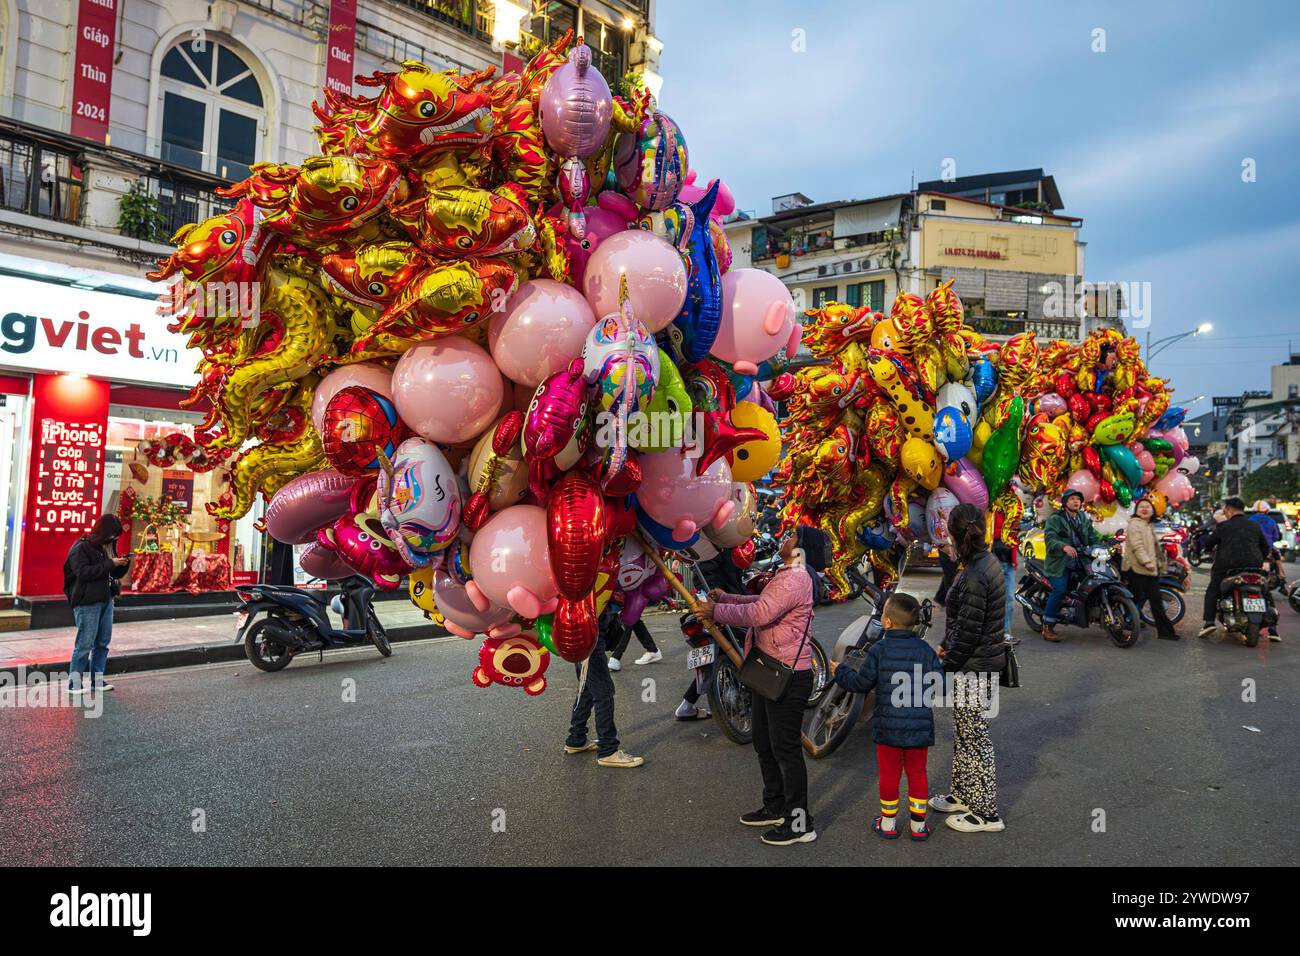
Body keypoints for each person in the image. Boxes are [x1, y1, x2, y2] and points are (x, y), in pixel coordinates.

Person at [700, 532, 816, 846]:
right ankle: (775, 805)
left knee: (786, 749)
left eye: (792, 537)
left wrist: (717, 612)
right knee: (764, 742)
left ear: (800, 549)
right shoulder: (785, 574)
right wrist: (726, 598)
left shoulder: (795, 579)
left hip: (788, 674)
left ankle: (800, 823)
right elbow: (758, 602)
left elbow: (759, 614)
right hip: (768, 669)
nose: (786, 538)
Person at [830, 592, 942, 841]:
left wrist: (841, 672)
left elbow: (861, 683)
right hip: (919, 726)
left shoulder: (879, 649)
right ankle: (918, 825)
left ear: (888, 621)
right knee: (917, 772)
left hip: (888, 725)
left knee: (890, 773)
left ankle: (889, 823)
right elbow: (939, 683)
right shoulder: (925, 650)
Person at [929, 503, 1007, 834]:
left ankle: (986, 813)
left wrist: (946, 663)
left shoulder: (976, 573)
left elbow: (971, 630)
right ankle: (963, 795)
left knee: (975, 738)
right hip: (977, 662)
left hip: (977, 666)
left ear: (956, 534)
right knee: (965, 734)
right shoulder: (980, 563)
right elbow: (964, 623)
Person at [564, 602, 644, 767]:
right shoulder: (586, 578)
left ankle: (576, 739)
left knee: (586, 688)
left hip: (583, 631)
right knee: (604, 692)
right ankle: (608, 750)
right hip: (588, 634)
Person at [63, 514, 130, 695]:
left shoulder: (105, 547)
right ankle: (74, 684)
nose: (114, 539)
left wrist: (123, 563)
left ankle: (97, 681)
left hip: (106, 599)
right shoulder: (81, 547)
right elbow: (83, 572)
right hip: (87, 602)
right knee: (85, 643)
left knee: (102, 643)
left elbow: (113, 574)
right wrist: (110, 563)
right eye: (112, 535)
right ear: (104, 532)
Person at [1198, 497, 1272, 641]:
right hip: (1253, 566)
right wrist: (1259, 559)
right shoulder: (1254, 526)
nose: (1224, 513)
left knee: (1213, 589)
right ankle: (1274, 629)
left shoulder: (1223, 526)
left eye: (1225, 510)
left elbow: (1209, 543)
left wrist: (1207, 549)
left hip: (1227, 567)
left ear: (1229, 510)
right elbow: (1265, 547)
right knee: (1265, 590)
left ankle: (1209, 622)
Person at [1040, 488, 1101, 642]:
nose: (1076, 501)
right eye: (1072, 499)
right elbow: (1050, 539)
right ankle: (1048, 626)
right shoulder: (1056, 519)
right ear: (1065, 502)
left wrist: (1105, 543)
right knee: (1060, 590)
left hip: (1081, 560)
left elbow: (1093, 537)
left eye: (1078, 499)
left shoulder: (1082, 517)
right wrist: (1064, 547)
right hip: (1060, 562)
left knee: (1095, 584)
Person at [1123, 498, 1178, 640]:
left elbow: (1155, 548)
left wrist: (1161, 563)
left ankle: (1165, 632)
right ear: (1136, 510)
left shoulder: (1148, 525)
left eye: (1148, 506)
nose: (1145, 509)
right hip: (1136, 569)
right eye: (1141, 507)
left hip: (1148, 569)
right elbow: (1137, 546)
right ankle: (1120, 621)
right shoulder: (1134, 524)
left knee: (1154, 601)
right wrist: (1147, 562)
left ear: (1153, 510)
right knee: (1137, 598)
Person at [991, 508, 1019, 643]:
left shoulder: (1011, 511)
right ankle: (992, 632)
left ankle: (1005, 632)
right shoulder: (991, 510)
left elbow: (1013, 537)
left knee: (1009, 599)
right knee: (994, 598)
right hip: (994, 560)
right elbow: (989, 533)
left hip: (1009, 562)